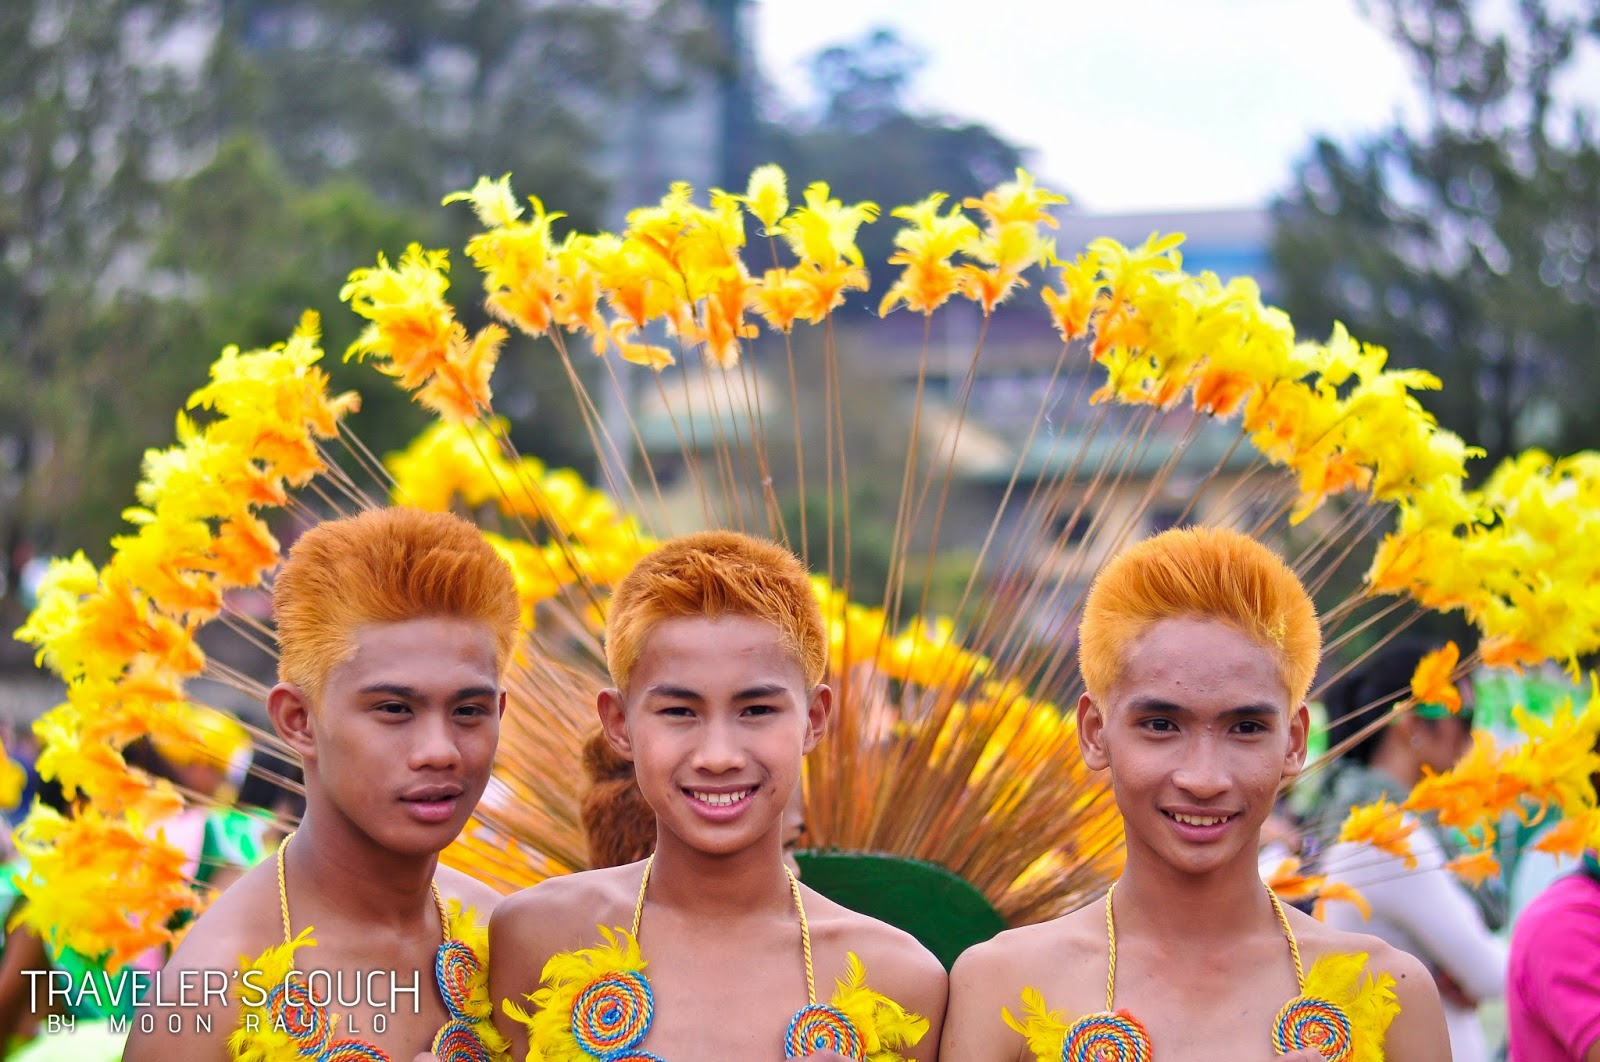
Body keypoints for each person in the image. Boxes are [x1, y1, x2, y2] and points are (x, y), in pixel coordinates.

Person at [940, 526, 1448, 1061]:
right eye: (1161, 724)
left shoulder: (1390, 995)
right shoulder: (1004, 988)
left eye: (1246, 728)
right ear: (1095, 732)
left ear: (1294, 743)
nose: (1204, 779)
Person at [488, 530, 947, 1061]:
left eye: (756, 710)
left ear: (814, 720)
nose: (718, 755)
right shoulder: (538, 936)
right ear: (619, 725)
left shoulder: (899, 980)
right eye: (680, 711)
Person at [123, 506, 518, 1062]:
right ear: (298, 721)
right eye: (394, 708)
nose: (440, 751)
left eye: (469, 710)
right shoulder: (213, 990)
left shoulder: (511, 942)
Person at [1317, 638, 1507, 1062]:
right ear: (1411, 726)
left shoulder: (1372, 820)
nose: (1471, 740)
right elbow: (1493, 975)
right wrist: (1451, 971)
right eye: (1466, 719)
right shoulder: (1385, 836)